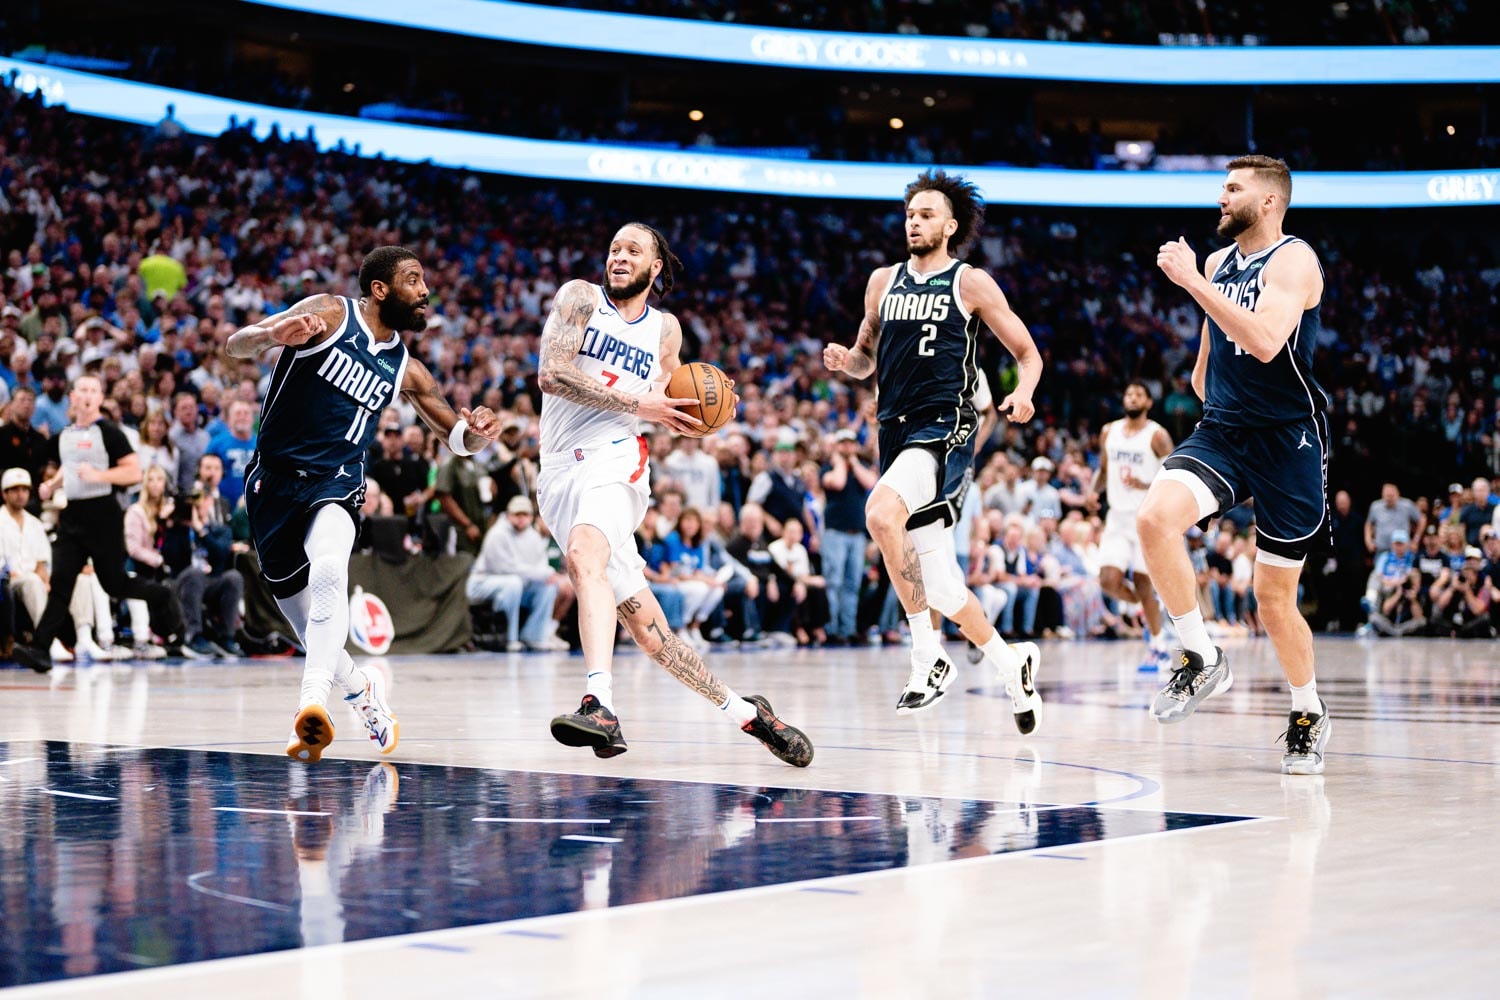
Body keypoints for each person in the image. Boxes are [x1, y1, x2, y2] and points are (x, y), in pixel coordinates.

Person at [535, 221, 812, 766]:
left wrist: (687, 416)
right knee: (649, 630)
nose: (619, 256)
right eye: (613, 247)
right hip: (558, 473)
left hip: (617, 461)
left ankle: (599, 704)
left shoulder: (665, 330)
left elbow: (669, 402)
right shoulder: (580, 298)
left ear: (654, 266)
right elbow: (551, 374)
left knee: (583, 555)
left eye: (632, 250)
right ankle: (748, 713)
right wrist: (645, 405)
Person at [225, 246, 501, 762]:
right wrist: (270, 336)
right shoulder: (329, 313)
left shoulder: (407, 368)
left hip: (338, 481)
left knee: (331, 569)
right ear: (380, 289)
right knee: (307, 625)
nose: (425, 292)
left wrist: (479, 435)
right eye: (414, 281)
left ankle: (312, 709)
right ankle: (361, 693)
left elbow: (455, 437)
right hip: (273, 481)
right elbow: (235, 345)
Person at [822, 169, 1043, 731]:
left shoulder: (970, 283)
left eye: (925, 215)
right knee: (941, 585)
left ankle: (929, 656)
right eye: (909, 214)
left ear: (949, 226)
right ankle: (1011, 661)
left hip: (945, 427)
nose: (913, 222)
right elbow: (866, 357)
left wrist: (1023, 392)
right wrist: (847, 362)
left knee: (879, 512)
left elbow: (1027, 352)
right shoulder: (881, 282)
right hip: (893, 429)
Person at [1142, 155, 1332, 775]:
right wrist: (1214, 394)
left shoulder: (1295, 259)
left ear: (1270, 202)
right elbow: (1206, 361)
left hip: (1287, 441)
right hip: (1225, 430)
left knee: (1272, 600)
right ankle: (1201, 657)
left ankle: (1307, 710)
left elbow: (1266, 342)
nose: (1221, 198)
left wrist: (1194, 282)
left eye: (1233, 189)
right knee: (1153, 519)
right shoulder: (1221, 262)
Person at [10, 375, 182, 672]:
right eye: (83, 390)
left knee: (113, 582)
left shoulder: (109, 432)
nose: (88, 395)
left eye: (94, 390)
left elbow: (132, 473)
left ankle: (163, 595)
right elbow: (73, 464)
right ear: (73, 397)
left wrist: (99, 477)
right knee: (62, 581)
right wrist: (53, 484)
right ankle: (39, 649)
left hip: (104, 514)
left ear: (100, 398)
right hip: (73, 515)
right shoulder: (66, 435)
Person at [1089, 382, 1174, 668]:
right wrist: (1092, 491)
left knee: (1142, 582)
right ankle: (1146, 606)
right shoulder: (1108, 431)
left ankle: (1158, 645)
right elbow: (1103, 469)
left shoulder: (1157, 436)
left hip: (1146, 519)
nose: (1132, 398)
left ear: (1149, 402)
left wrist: (1145, 484)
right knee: (1108, 581)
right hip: (1117, 517)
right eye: (1128, 394)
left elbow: (1174, 478)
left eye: (1139, 395)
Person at [466, 495, 569, 651]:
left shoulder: (533, 536)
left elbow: (540, 566)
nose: (521, 519)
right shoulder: (497, 534)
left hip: (518, 584)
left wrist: (547, 576)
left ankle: (534, 635)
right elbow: (505, 569)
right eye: (517, 515)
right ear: (508, 515)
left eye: (525, 515)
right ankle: (508, 637)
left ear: (531, 517)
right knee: (513, 582)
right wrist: (543, 574)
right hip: (483, 582)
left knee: (547, 587)